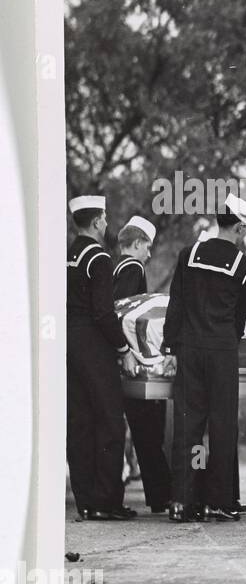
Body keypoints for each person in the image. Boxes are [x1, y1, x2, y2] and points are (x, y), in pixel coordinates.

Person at [162, 193, 246, 522]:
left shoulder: (187, 255)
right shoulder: (245, 267)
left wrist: (169, 347)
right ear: (240, 227)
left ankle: (181, 501)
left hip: (188, 348)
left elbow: (175, 306)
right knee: (222, 428)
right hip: (221, 350)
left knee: (187, 427)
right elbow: (239, 320)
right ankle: (217, 501)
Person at [67, 194, 139, 520]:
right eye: (106, 219)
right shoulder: (99, 258)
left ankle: (85, 501)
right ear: (97, 222)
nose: (108, 224)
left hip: (69, 346)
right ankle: (106, 501)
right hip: (94, 347)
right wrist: (123, 349)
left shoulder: (68, 255)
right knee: (110, 422)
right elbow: (104, 314)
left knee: (80, 424)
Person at [112, 214, 170, 514]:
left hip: (124, 360)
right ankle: (161, 496)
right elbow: (126, 314)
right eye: (147, 246)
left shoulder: (115, 268)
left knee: (143, 431)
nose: (149, 253)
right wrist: (130, 352)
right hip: (136, 362)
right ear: (136, 244)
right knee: (149, 431)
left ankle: (159, 494)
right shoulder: (133, 268)